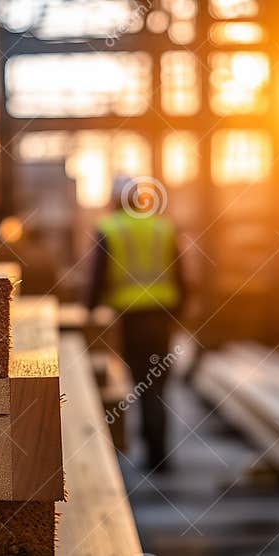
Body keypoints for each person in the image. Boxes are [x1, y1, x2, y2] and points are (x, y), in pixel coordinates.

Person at [87, 175, 187, 473]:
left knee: (141, 381)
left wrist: (90, 310)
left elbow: (97, 275)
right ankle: (159, 454)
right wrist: (179, 313)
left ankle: (151, 450)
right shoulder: (163, 227)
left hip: (131, 318)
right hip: (161, 316)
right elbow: (181, 274)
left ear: (116, 200)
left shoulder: (109, 228)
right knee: (158, 383)